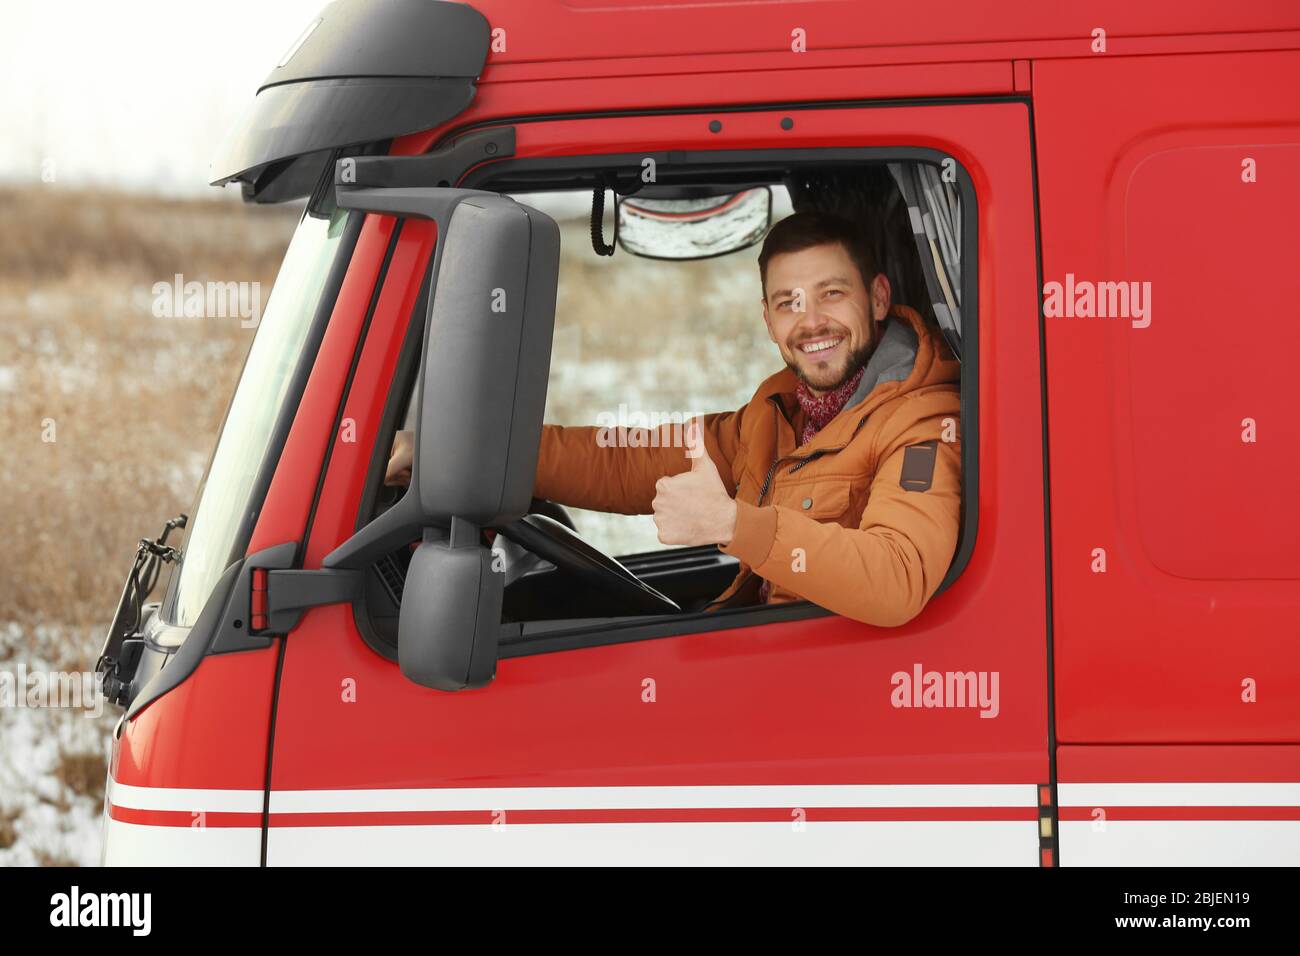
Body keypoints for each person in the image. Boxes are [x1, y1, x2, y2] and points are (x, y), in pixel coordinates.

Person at [387, 211, 961, 626]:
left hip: (827, 701)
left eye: (831, 293)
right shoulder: (778, 411)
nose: (810, 322)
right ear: (767, 319)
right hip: (764, 664)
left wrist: (735, 526)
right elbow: (628, 456)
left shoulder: (921, 420)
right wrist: (461, 450)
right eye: (789, 302)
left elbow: (898, 578)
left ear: (878, 299)